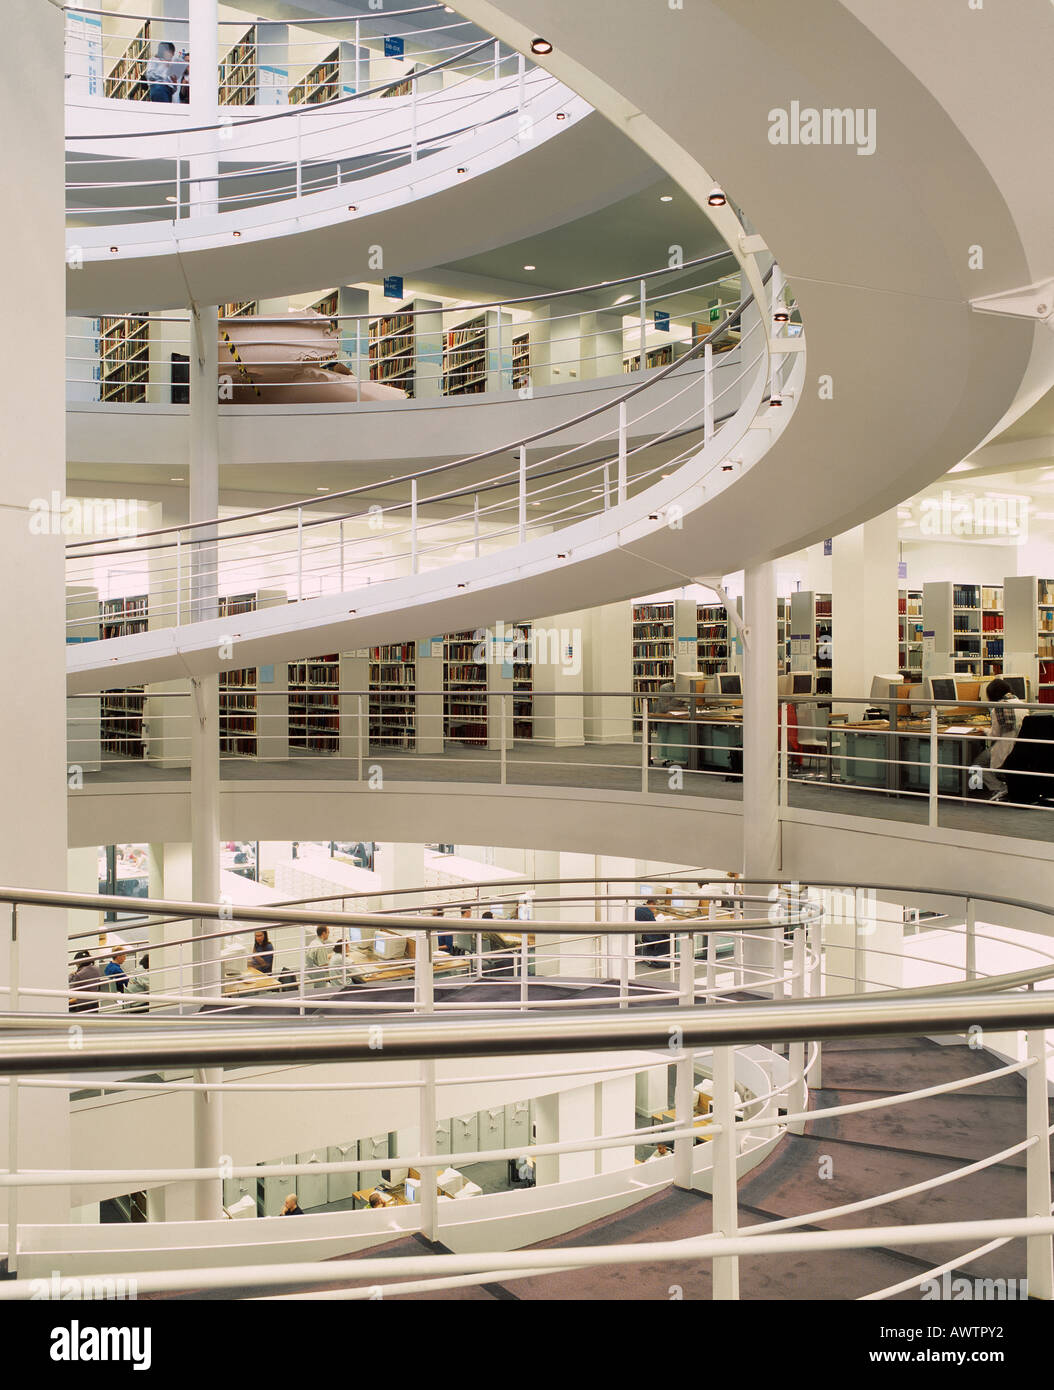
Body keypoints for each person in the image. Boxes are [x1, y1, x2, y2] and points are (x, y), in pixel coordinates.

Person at [973, 678, 1024, 802]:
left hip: (1006, 747)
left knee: (978, 764)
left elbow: (994, 735)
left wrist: (984, 730)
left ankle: (1000, 788)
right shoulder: (1021, 704)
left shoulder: (999, 709)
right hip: (1021, 747)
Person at [635, 897, 668, 966]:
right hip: (647, 936)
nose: (655, 909)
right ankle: (658, 960)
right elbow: (655, 926)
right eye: (655, 907)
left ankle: (653, 953)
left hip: (639, 935)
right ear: (652, 904)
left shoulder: (638, 908)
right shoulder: (648, 913)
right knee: (666, 937)